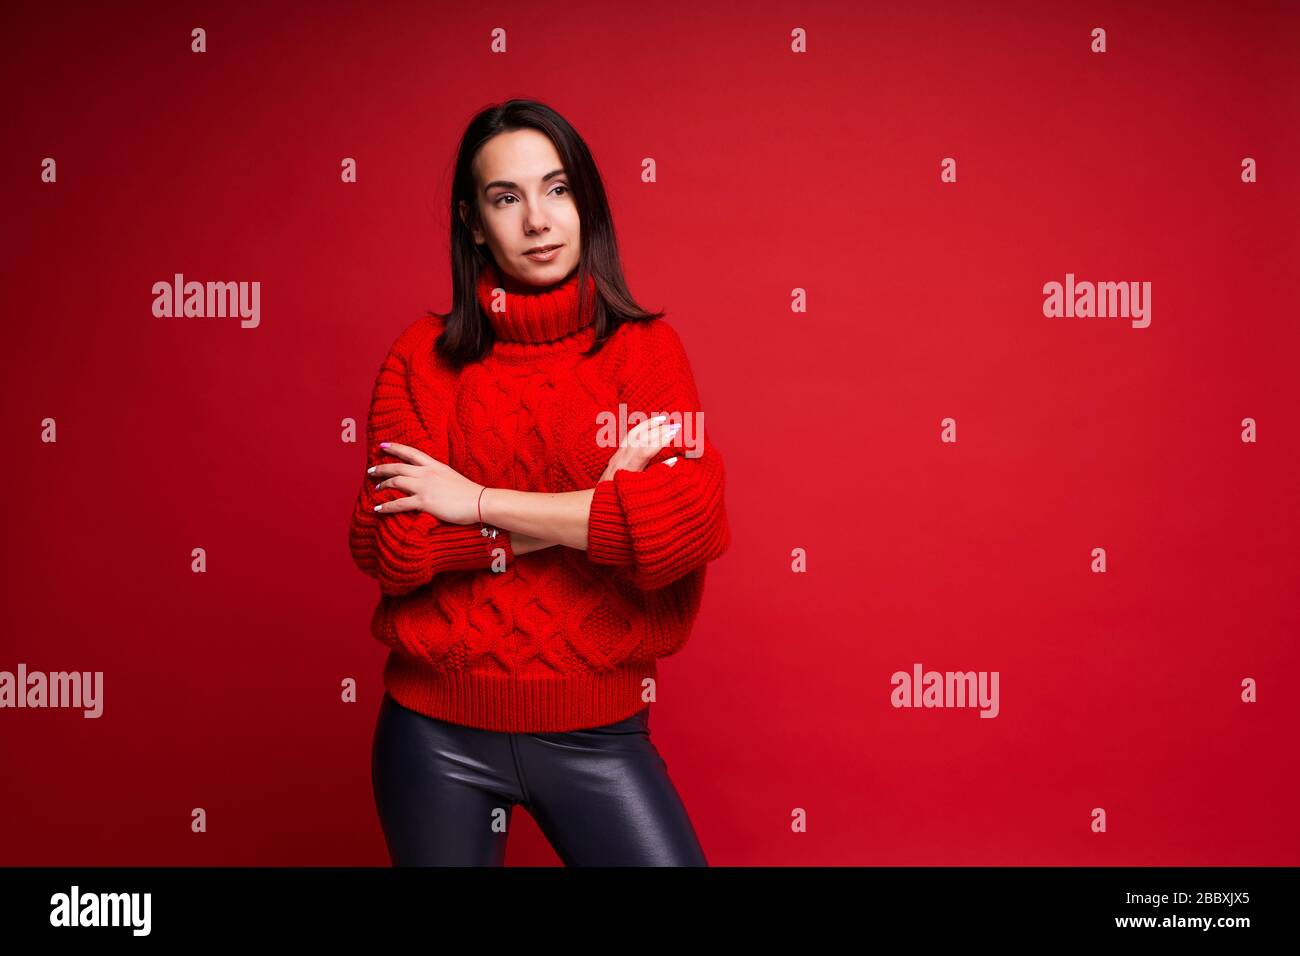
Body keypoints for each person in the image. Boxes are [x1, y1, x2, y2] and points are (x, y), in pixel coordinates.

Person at [349, 99, 731, 866]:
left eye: (558, 189)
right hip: (433, 737)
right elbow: (391, 540)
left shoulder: (647, 354)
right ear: (472, 221)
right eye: (506, 197)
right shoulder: (420, 359)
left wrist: (475, 502)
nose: (538, 219)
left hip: (598, 733)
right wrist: (598, 508)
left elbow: (689, 521)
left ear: (586, 200)